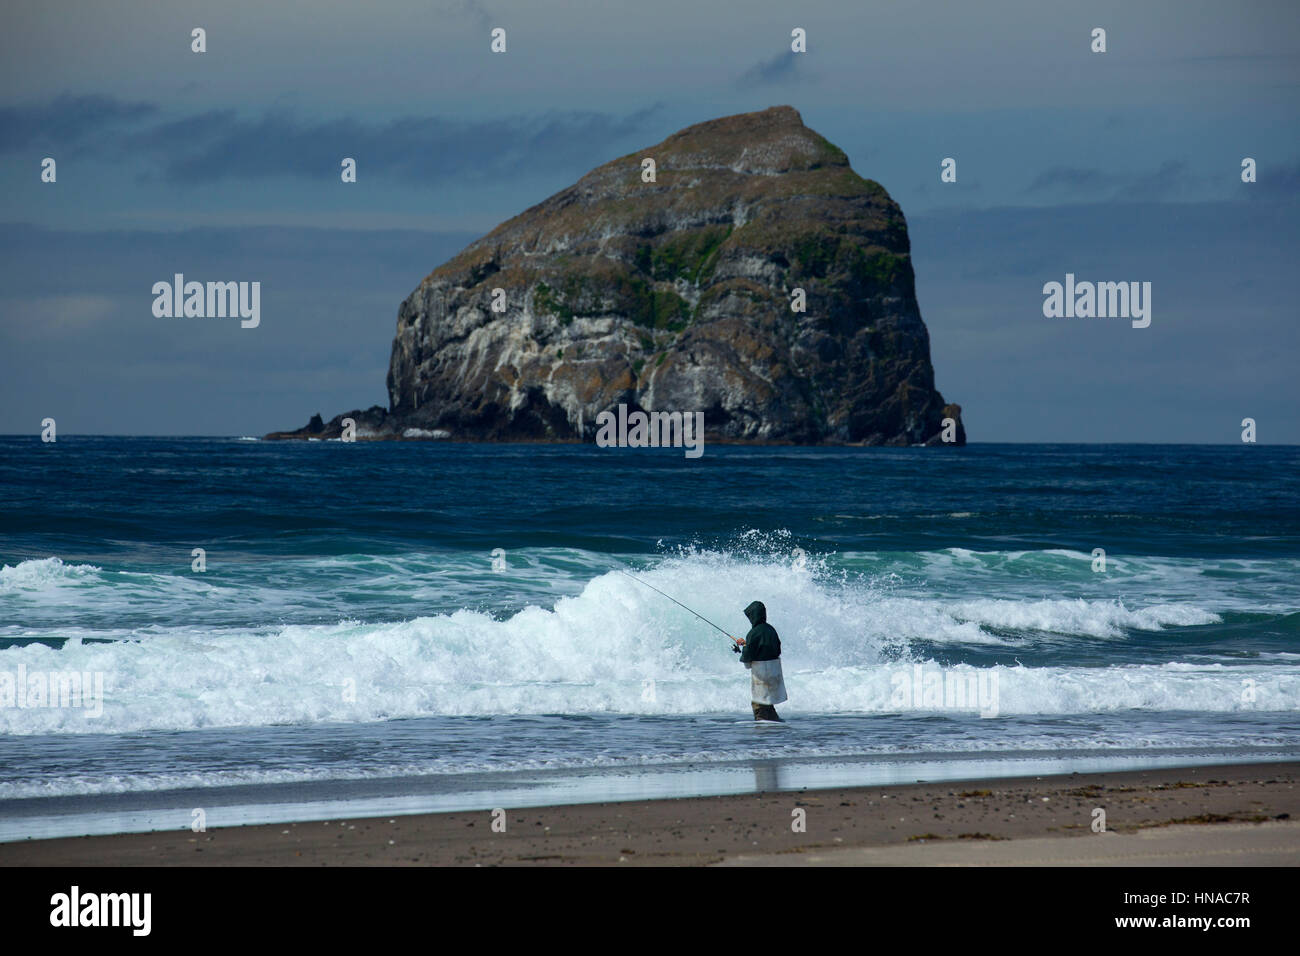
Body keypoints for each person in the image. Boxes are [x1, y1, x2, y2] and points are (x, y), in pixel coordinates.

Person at [732, 600, 787, 721]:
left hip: (761, 674)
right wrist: (747, 644)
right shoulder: (771, 630)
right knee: (768, 702)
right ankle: (774, 725)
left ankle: (762, 734)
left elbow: (748, 659)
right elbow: (775, 649)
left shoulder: (753, 633)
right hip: (774, 671)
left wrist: (745, 646)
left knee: (759, 704)